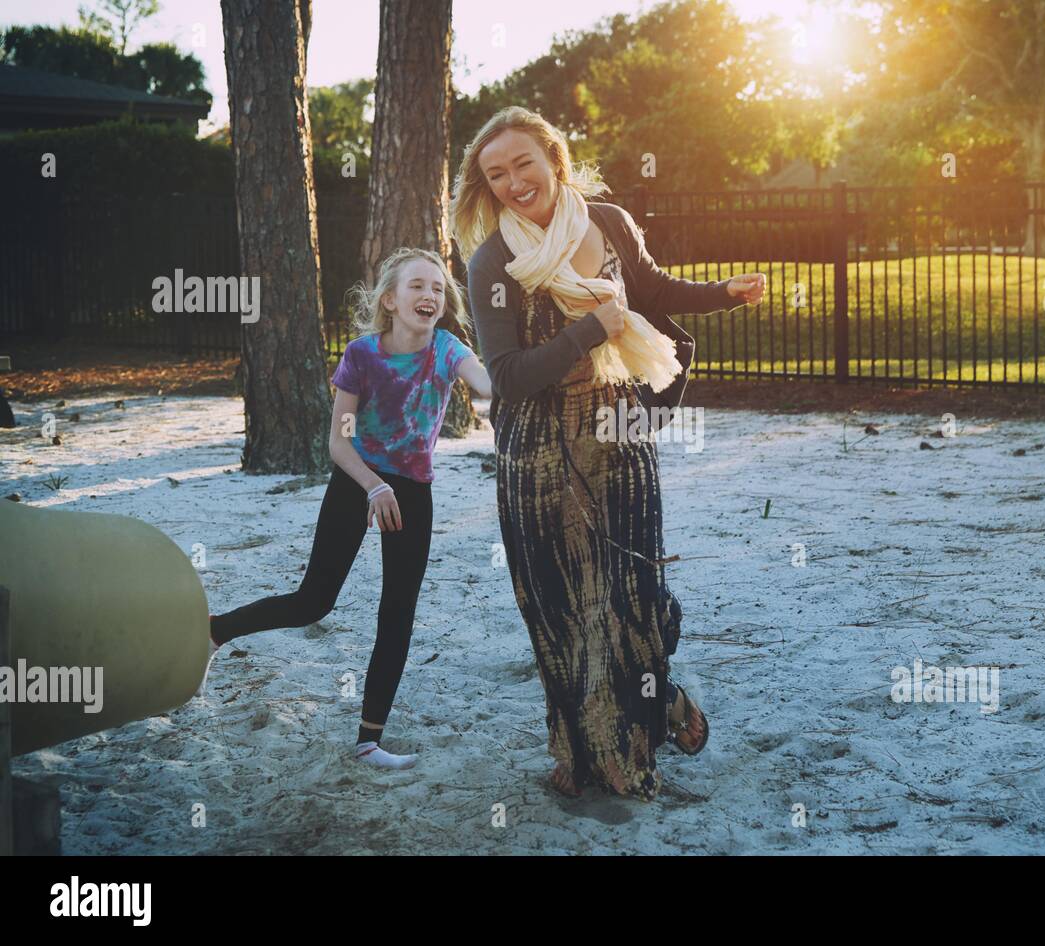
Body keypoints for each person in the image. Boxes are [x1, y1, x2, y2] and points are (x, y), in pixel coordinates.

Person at [450, 106, 766, 799]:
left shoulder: (610, 222)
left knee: (630, 594)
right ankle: (588, 747)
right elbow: (506, 375)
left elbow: (651, 292)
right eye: (494, 174)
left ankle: (651, 712)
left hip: (620, 433)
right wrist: (593, 328)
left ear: (554, 159)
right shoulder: (493, 260)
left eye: (522, 164)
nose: (511, 182)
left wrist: (724, 294)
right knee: (567, 607)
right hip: (539, 448)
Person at [205, 247, 492, 770]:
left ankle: (368, 741)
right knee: (314, 601)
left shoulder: (448, 349)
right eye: (417, 286)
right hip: (355, 481)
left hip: (413, 493)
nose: (429, 295)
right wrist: (372, 486)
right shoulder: (361, 356)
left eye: (437, 289)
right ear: (390, 300)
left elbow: (489, 383)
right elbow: (340, 444)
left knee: (396, 613)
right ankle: (215, 631)